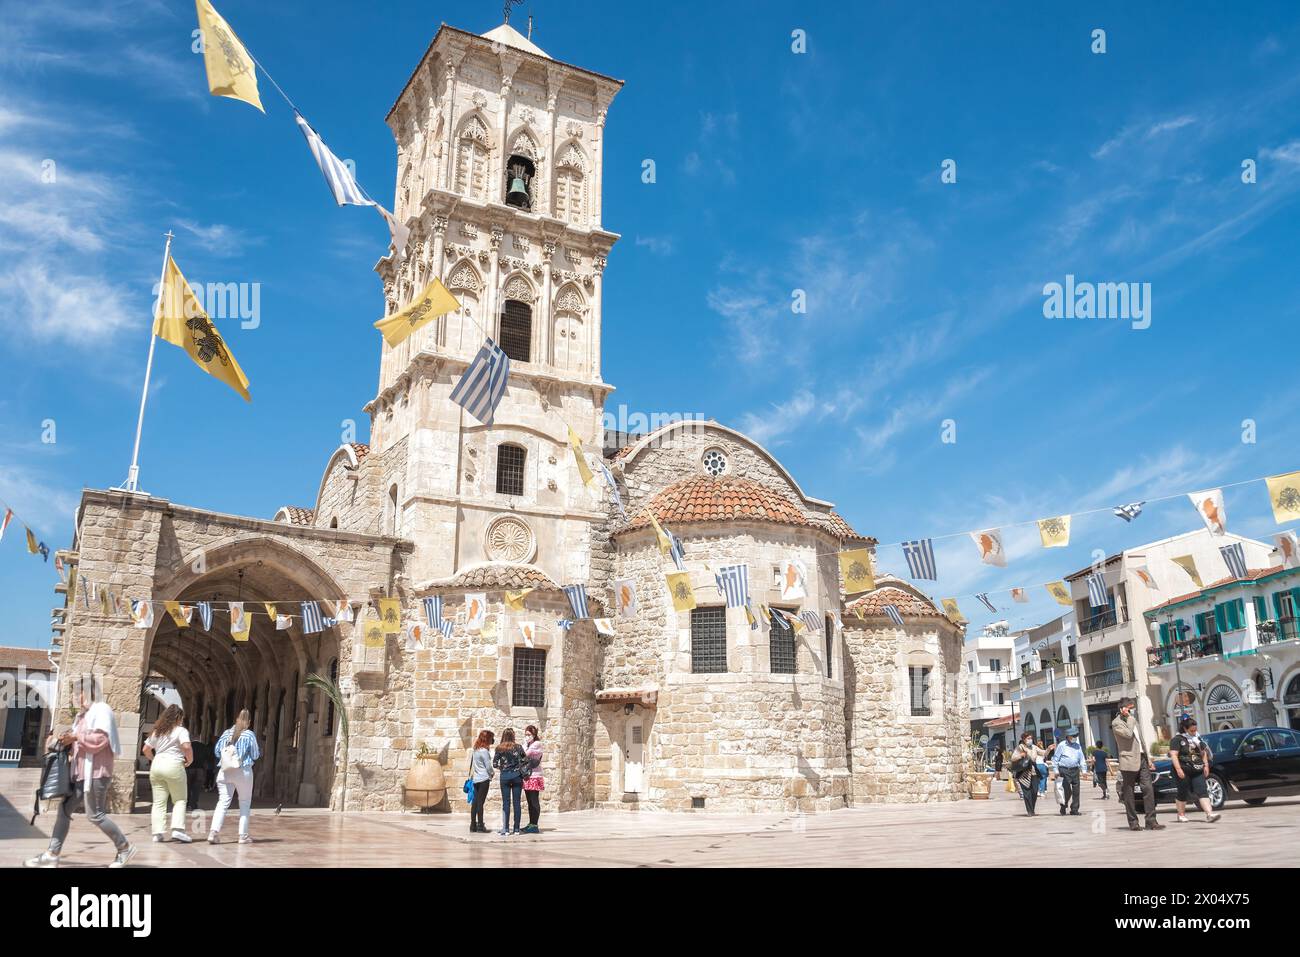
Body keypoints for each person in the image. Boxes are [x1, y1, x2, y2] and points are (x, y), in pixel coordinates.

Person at [24, 681, 136, 868]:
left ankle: (124, 847)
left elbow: (100, 740)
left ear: (90, 693)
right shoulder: (83, 716)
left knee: (96, 815)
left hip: (96, 774)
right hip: (80, 774)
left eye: (78, 693)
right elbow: (76, 742)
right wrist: (61, 741)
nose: (74, 697)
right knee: (64, 809)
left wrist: (76, 737)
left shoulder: (102, 710)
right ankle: (52, 854)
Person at [142, 704, 194, 843]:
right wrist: (190, 759)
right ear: (178, 718)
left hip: (157, 765)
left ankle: (157, 833)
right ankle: (177, 830)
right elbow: (186, 746)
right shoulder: (181, 730)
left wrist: (154, 759)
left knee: (159, 802)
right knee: (180, 799)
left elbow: (146, 749)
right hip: (174, 764)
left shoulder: (157, 731)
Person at [209, 709, 260, 845]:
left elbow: (217, 752)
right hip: (243, 771)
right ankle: (243, 835)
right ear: (248, 722)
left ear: (237, 719)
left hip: (225, 772)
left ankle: (213, 832)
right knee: (244, 802)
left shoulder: (226, 733)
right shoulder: (249, 735)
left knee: (223, 802)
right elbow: (255, 755)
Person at [1112, 698, 1164, 831]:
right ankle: (1133, 822)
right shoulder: (1116, 723)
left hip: (1142, 758)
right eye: (1130, 708)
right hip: (1128, 760)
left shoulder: (1134, 720)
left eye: (1132, 708)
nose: (1132, 711)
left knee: (1148, 788)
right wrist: (1130, 719)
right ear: (1122, 709)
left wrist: (1148, 758)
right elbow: (1128, 734)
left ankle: (1151, 821)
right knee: (1129, 792)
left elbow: (1141, 741)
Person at [1169, 717, 1221, 824]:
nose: (1194, 732)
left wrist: (1206, 765)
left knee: (1202, 790)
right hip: (1183, 769)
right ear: (1185, 728)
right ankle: (1181, 815)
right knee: (1183, 792)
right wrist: (1178, 769)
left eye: (1195, 730)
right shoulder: (1177, 739)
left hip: (1197, 769)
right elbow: (1174, 755)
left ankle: (1209, 814)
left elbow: (1203, 752)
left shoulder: (1197, 739)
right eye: (1192, 730)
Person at [492, 727, 527, 835]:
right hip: (517, 776)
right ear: (513, 736)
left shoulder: (499, 748)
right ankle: (516, 829)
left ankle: (506, 829)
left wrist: (503, 768)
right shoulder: (518, 747)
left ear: (503, 736)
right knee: (517, 803)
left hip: (505, 777)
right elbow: (524, 760)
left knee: (506, 803)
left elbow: (494, 764)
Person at [1053, 727, 1086, 816]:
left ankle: (1074, 809)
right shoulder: (1062, 745)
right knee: (1067, 791)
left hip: (1075, 770)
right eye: (1073, 736)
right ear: (1068, 736)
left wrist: (1084, 770)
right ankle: (1063, 806)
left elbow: (1082, 758)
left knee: (1076, 791)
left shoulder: (1078, 746)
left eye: (1076, 736)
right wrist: (1056, 770)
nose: (1075, 737)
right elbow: (1055, 759)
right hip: (1064, 770)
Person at [1011, 731, 1044, 816]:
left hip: (1034, 772)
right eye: (1028, 738)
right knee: (1027, 793)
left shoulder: (1034, 747)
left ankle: (1032, 809)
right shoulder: (1020, 747)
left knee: (1035, 791)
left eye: (1031, 738)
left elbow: (1042, 752)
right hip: (1024, 773)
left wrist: (1049, 749)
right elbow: (1013, 758)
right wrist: (1020, 755)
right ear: (1024, 739)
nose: (1030, 740)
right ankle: (1030, 811)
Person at [469, 730, 494, 833]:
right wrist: (492, 773)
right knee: (480, 802)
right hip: (484, 779)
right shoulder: (484, 751)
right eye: (491, 738)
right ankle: (480, 825)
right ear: (487, 739)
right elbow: (488, 766)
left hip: (476, 779)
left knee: (475, 802)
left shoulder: (475, 749)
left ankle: (472, 825)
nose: (492, 740)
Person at [521, 724, 544, 834]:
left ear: (534, 735)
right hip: (528, 776)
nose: (527, 736)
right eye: (526, 734)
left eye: (529, 734)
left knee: (534, 801)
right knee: (529, 802)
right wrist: (525, 744)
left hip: (535, 776)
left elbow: (525, 754)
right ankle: (531, 823)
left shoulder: (536, 744)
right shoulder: (529, 744)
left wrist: (525, 744)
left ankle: (535, 825)